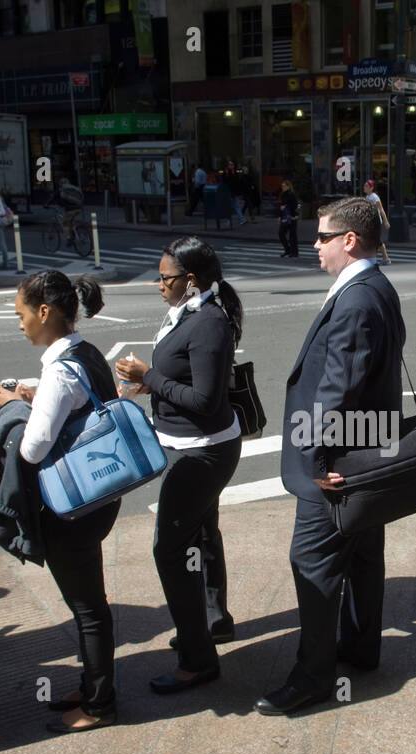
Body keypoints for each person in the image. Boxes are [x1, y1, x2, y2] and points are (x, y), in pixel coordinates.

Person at [256, 197, 405, 716]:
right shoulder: (375, 287)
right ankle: (361, 649)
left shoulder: (358, 300)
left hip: (339, 462)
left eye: (322, 236)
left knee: (312, 562)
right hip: (368, 451)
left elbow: (339, 388)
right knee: (363, 555)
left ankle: (314, 676)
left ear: (349, 240)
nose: (313, 244)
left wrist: (317, 462)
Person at [0, 272, 119, 733]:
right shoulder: (84, 352)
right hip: (96, 495)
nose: (19, 323)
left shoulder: (61, 368)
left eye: (21, 314)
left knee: (87, 608)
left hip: (72, 506)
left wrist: (14, 406)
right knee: (89, 604)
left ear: (44, 312)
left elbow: (33, 448)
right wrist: (35, 395)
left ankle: (101, 704)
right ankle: (91, 686)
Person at [115, 237, 243, 693]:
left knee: (169, 551)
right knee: (202, 535)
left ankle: (197, 659)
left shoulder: (208, 323)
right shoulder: (192, 313)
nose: (158, 284)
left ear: (190, 281)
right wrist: (155, 386)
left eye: (166, 278)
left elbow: (207, 401)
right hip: (194, 446)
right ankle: (214, 622)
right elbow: (187, 379)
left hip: (203, 452)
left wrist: (146, 376)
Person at [363, 179, 392, 265]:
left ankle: (384, 258)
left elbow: (381, 209)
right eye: (364, 186)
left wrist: (386, 221)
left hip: (376, 221)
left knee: (376, 240)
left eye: (366, 186)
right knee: (373, 240)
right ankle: (382, 258)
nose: (364, 188)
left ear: (371, 188)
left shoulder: (374, 197)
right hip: (370, 221)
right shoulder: (367, 197)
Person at [55, 177, 84, 245]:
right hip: (79, 207)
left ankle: (69, 238)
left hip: (71, 209)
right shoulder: (75, 188)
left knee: (65, 223)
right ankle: (73, 231)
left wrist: (47, 204)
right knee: (70, 221)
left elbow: (58, 198)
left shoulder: (62, 189)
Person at [278, 179, 300, 258]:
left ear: (288, 186)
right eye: (282, 186)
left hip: (292, 217)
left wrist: (286, 207)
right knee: (281, 233)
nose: (282, 187)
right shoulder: (283, 195)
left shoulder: (292, 195)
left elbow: (295, 205)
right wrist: (279, 216)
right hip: (285, 217)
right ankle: (288, 250)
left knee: (292, 235)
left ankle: (294, 252)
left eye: (284, 186)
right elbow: (280, 206)